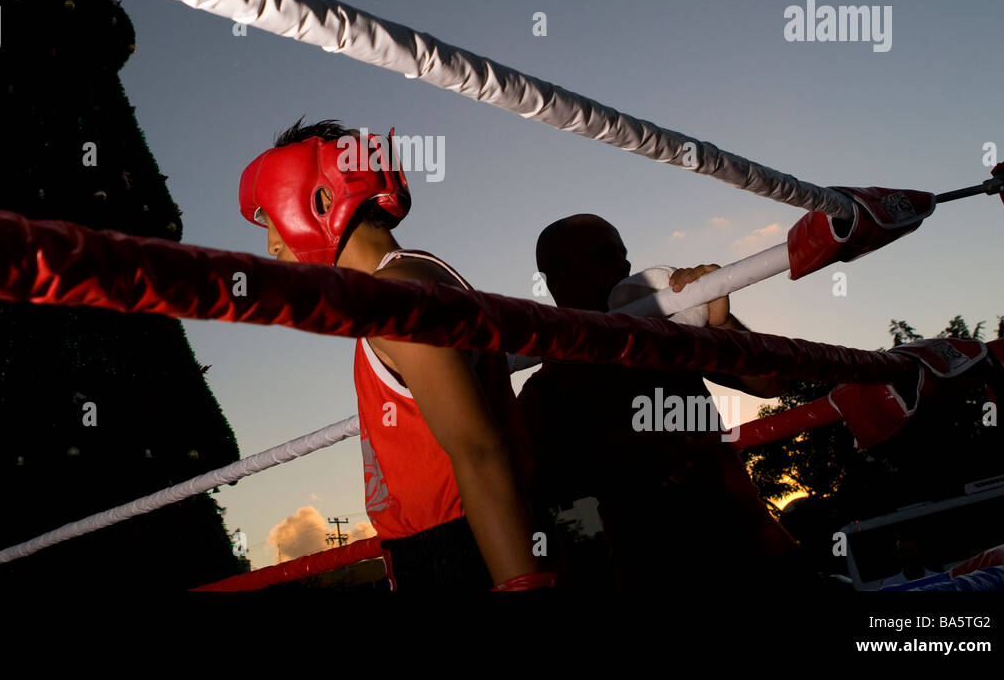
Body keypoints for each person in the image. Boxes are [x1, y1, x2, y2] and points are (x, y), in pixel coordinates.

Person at [238, 119, 553, 590]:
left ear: (321, 201)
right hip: (435, 544)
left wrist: (523, 583)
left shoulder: (400, 293)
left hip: (464, 543)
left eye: (274, 220)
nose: (273, 247)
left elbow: (480, 452)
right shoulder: (402, 285)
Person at [518, 214, 803, 591]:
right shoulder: (545, 393)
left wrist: (719, 321)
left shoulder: (664, 338)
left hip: (762, 553)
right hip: (657, 576)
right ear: (559, 278)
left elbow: (772, 383)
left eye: (623, 253)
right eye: (605, 255)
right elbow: (543, 508)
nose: (624, 265)